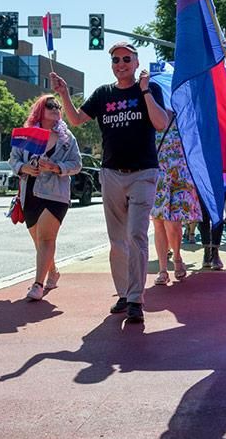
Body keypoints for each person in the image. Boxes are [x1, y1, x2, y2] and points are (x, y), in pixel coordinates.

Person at [50, 42, 171, 324]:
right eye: (116, 60)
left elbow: (161, 123)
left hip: (143, 173)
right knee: (117, 241)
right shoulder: (103, 93)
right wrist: (64, 93)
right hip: (112, 173)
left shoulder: (150, 90)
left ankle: (136, 299)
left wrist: (143, 91)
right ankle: (124, 294)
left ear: (136, 61)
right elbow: (77, 120)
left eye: (126, 59)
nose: (121, 64)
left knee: (136, 235)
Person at [10, 94, 82, 300]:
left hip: (56, 194)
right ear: (40, 109)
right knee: (38, 240)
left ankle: (37, 285)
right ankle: (53, 271)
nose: (56, 109)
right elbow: (13, 159)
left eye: (58, 106)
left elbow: (77, 164)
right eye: (50, 105)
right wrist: (23, 167)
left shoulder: (67, 137)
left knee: (47, 238)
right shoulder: (26, 135)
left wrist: (57, 167)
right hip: (30, 192)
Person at [150, 122, 200, 285]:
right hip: (156, 178)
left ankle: (177, 256)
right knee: (158, 223)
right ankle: (163, 269)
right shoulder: (151, 117)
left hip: (179, 178)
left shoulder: (182, 118)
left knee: (173, 224)